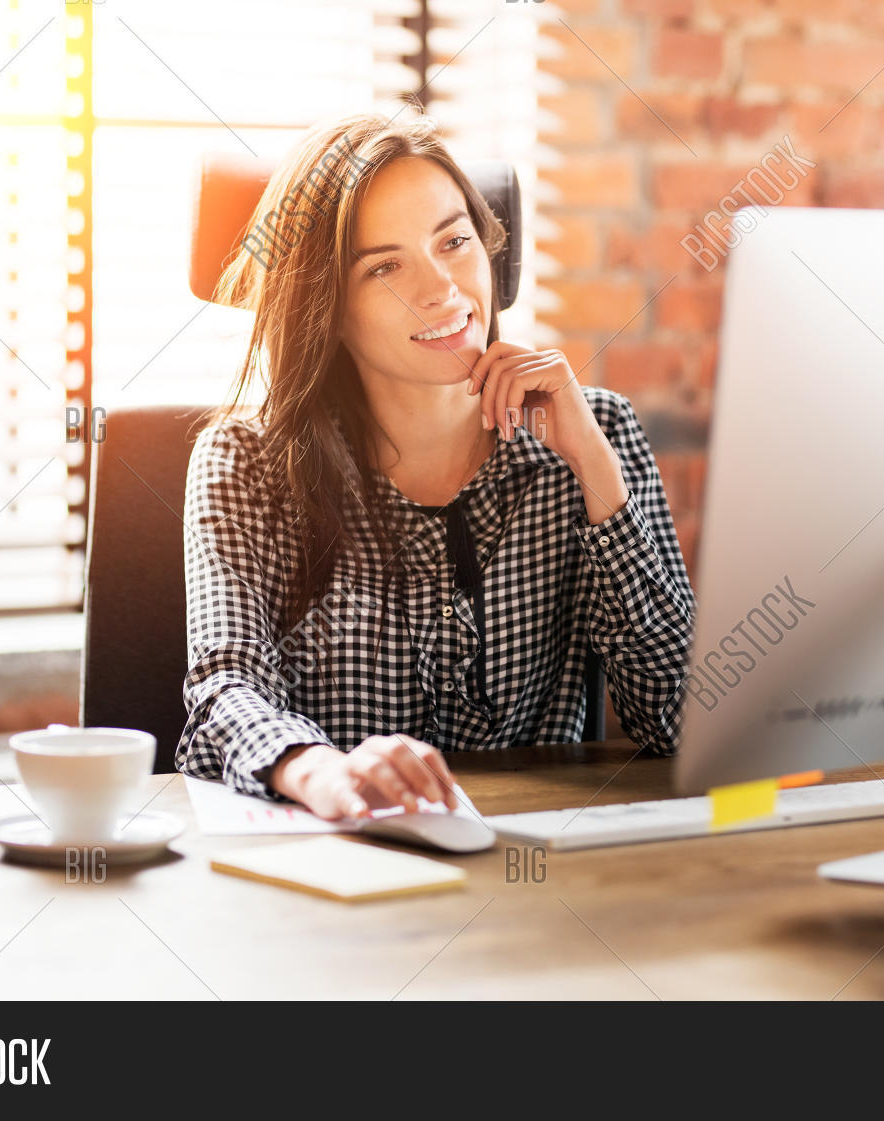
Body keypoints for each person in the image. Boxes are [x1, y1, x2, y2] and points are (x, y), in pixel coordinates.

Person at [176, 112, 697, 821]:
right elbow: (223, 692)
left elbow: (681, 722)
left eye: (454, 242)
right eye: (385, 266)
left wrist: (594, 470)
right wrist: (324, 773)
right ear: (324, 305)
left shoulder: (596, 432)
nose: (441, 288)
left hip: (539, 881)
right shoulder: (245, 464)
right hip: (345, 869)